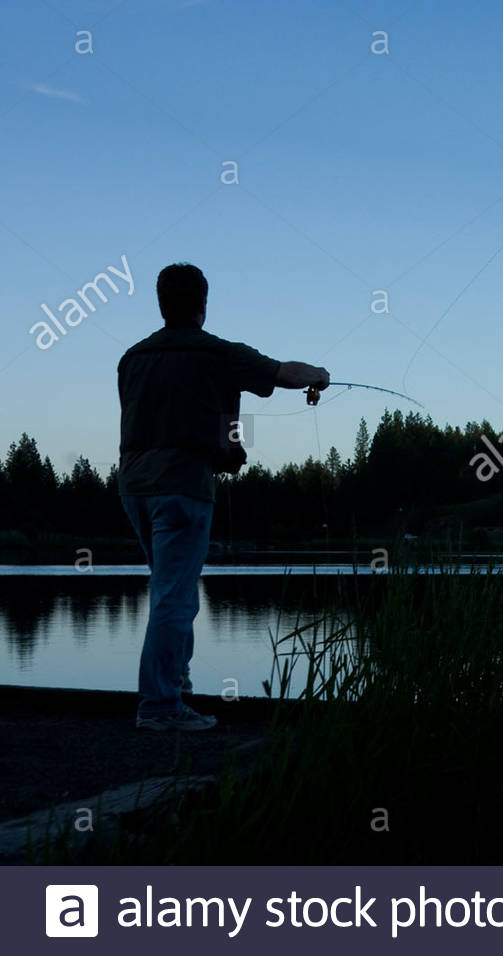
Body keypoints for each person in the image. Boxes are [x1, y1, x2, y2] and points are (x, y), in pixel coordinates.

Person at [117, 263, 330, 731]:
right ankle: (160, 707)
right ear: (203, 305)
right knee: (174, 597)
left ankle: (178, 687)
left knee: (169, 590)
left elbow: (174, 416)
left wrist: (229, 447)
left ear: (161, 302)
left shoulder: (131, 358)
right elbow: (283, 374)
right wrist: (320, 374)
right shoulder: (218, 352)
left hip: (134, 488)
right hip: (183, 489)